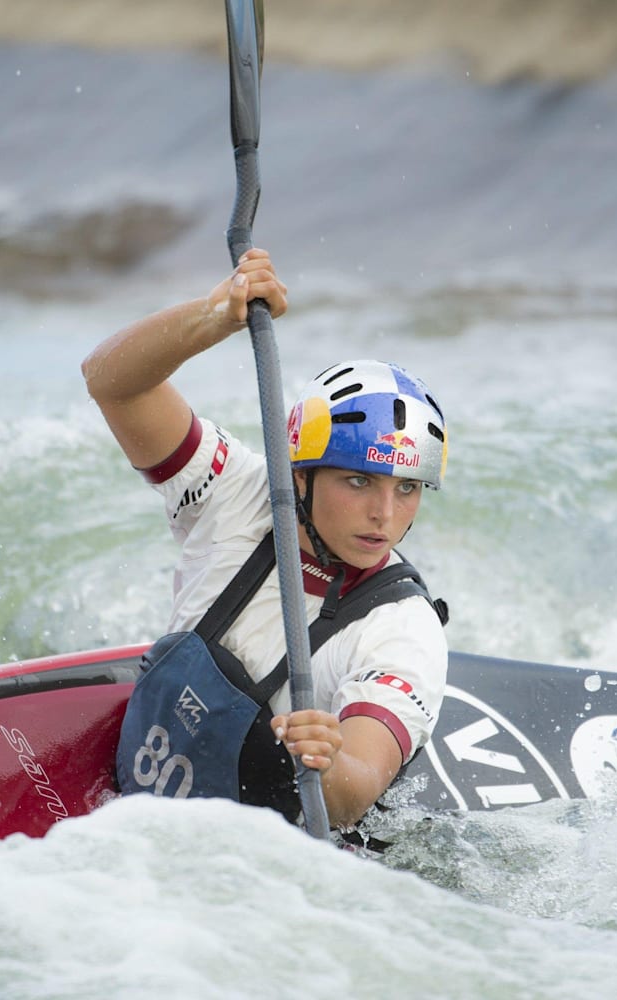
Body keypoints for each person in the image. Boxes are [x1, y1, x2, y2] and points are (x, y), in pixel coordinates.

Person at [81, 249, 448, 829]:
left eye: (407, 489)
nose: (385, 514)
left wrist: (329, 760)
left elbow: (355, 791)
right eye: (358, 481)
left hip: (275, 860)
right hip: (140, 813)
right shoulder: (236, 489)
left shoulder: (404, 628)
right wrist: (212, 316)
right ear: (298, 473)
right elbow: (111, 383)